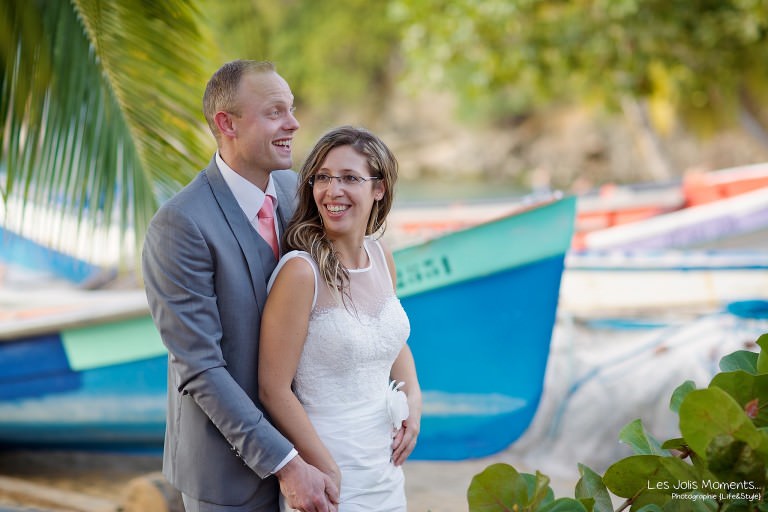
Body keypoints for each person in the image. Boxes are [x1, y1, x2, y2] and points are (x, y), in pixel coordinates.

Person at [142, 60, 339, 512]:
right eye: (275, 112)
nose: (293, 123)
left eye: (291, 109)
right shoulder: (180, 225)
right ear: (226, 123)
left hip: (317, 448)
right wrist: (287, 465)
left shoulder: (298, 192)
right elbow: (201, 369)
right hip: (226, 476)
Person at [258, 126, 422, 511]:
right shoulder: (300, 273)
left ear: (378, 188)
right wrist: (326, 468)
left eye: (349, 178)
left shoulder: (382, 256)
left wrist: (414, 400)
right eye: (324, 178)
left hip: (385, 471)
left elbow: (391, 341)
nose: (333, 191)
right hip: (328, 473)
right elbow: (273, 389)